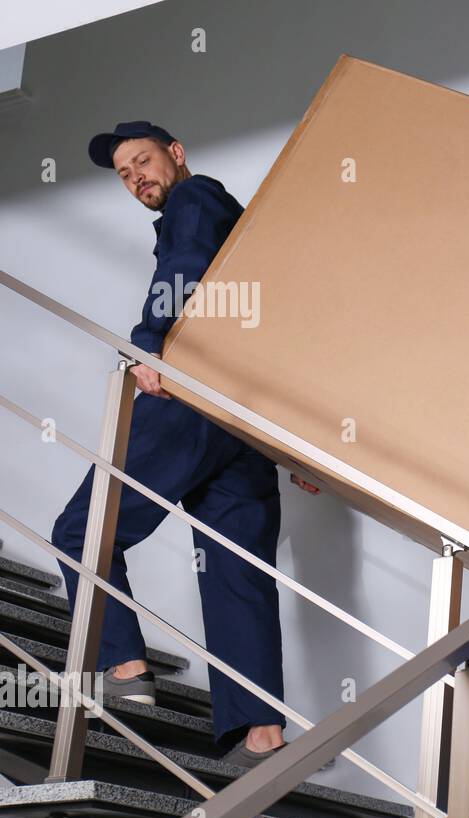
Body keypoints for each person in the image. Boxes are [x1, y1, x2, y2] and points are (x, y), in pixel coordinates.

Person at [51, 121, 321, 769]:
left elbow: (185, 265)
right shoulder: (234, 221)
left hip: (191, 399)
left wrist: (149, 341)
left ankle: (126, 670)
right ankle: (262, 738)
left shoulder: (195, 200)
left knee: (81, 532)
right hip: (244, 419)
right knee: (235, 571)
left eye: (142, 160)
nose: (136, 176)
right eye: (124, 174)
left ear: (175, 154)